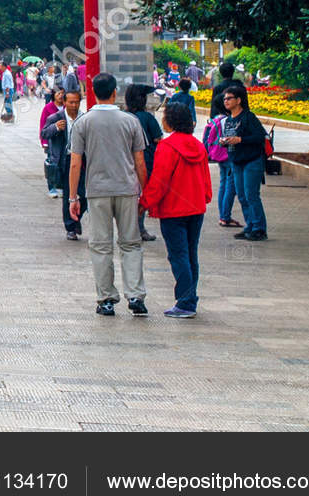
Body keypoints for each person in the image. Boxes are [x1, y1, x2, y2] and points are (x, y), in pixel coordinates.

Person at [68, 72, 148, 317]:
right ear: (115, 93)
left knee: (101, 245)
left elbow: (75, 163)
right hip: (127, 189)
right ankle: (135, 295)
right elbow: (139, 161)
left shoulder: (83, 122)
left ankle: (106, 299)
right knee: (131, 243)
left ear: (93, 92)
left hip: (97, 191)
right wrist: (144, 191)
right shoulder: (130, 120)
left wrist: (73, 197)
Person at [140, 102, 213, 319]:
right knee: (191, 254)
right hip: (195, 207)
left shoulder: (167, 147)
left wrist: (144, 202)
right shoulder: (198, 145)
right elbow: (205, 178)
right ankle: (189, 299)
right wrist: (204, 198)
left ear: (169, 121)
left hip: (174, 209)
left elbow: (160, 180)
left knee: (178, 255)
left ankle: (186, 302)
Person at [218, 82, 269, 241]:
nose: (226, 101)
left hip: (252, 160)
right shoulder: (228, 120)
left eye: (229, 98)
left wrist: (240, 139)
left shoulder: (248, 117)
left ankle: (259, 228)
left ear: (238, 100)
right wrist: (224, 141)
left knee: (251, 194)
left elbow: (260, 136)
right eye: (224, 99)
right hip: (236, 161)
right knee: (241, 195)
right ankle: (250, 226)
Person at [43, 89, 86, 239]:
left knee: (86, 194)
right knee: (69, 194)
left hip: (83, 160)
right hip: (66, 160)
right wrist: (55, 128)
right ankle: (70, 227)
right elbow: (44, 133)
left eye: (76, 102)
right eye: (70, 102)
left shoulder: (85, 118)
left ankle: (77, 218)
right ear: (65, 102)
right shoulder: (56, 117)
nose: (73, 105)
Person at [125, 83, 164, 242]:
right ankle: (139, 229)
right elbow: (158, 139)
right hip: (146, 162)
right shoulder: (147, 118)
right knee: (142, 195)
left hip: (125, 162)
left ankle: (129, 229)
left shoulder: (124, 117)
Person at [39, 88, 64, 196]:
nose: (61, 96)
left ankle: (62, 185)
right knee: (52, 164)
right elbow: (43, 125)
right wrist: (44, 142)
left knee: (63, 164)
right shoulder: (48, 108)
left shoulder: (66, 107)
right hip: (51, 141)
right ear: (54, 95)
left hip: (63, 141)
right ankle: (51, 187)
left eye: (63, 93)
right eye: (59, 93)